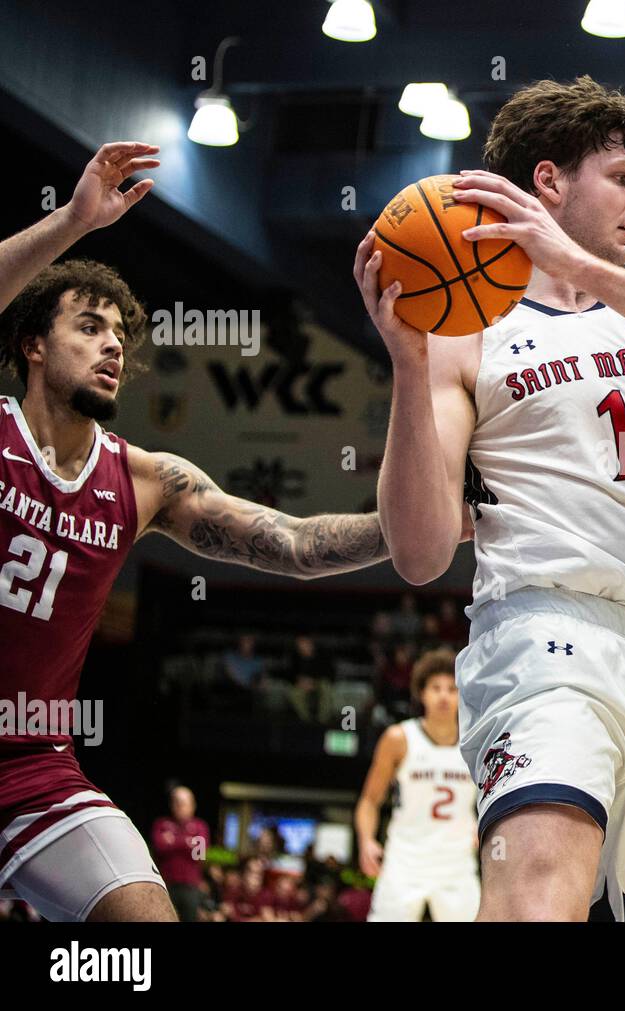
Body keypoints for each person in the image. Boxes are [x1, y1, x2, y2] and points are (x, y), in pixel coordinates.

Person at [356, 76, 625, 921]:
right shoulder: (464, 338)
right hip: (541, 642)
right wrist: (406, 363)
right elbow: (422, 551)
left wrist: (578, 265)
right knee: (537, 890)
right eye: (623, 178)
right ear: (549, 183)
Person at [0, 142, 393, 922]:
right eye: (89, 326)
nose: (115, 344)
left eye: (121, 333)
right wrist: (74, 222)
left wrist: (426, 521)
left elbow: (293, 542)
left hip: (34, 768)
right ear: (33, 346)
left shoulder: (145, 480)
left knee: (144, 924)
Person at [356, 649, 479, 921]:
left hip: (456, 862)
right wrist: (366, 841)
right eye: (436, 688)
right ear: (421, 693)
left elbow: (492, 797)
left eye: (452, 688)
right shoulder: (398, 738)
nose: (444, 696)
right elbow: (369, 800)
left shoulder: (475, 743)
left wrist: (484, 829)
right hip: (405, 860)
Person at [149, 784, 210, 922]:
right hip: (166, 885)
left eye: (183, 803)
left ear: (192, 805)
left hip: (190, 887)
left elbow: (199, 855)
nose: (179, 806)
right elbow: (159, 848)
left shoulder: (200, 826)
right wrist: (188, 841)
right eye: (175, 802)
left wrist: (173, 840)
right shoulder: (161, 824)